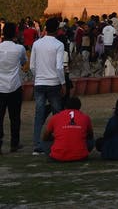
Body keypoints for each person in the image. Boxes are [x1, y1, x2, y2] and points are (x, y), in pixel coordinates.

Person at [30, 17, 66, 155]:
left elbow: (32, 65)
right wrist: (62, 83)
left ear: (45, 28)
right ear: (57, 30)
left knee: (39, 114)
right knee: (57, 114)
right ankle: (58, 140)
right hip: (53, 83)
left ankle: (37, 144)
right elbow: (59, 67)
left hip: (40, 82)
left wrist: (37, 77)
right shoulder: (58, 45)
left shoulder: (37, 44)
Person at [0, 21, 27, 154]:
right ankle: (14, 144)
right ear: (15, 33)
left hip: (0, 86)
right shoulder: (19, 48)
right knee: (15, 117)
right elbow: (23, 62)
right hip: (14, 85)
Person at [41, 96, 94, 161]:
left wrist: (55, 138)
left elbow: (45, 136)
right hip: (81, 156)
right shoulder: (85, 118)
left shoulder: (55, 117)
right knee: (91, 140)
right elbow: (90, 135)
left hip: (58, 156)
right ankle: (79, 152)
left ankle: (55, 153)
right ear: (79, 107)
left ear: (65, 107)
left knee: (44, 141)